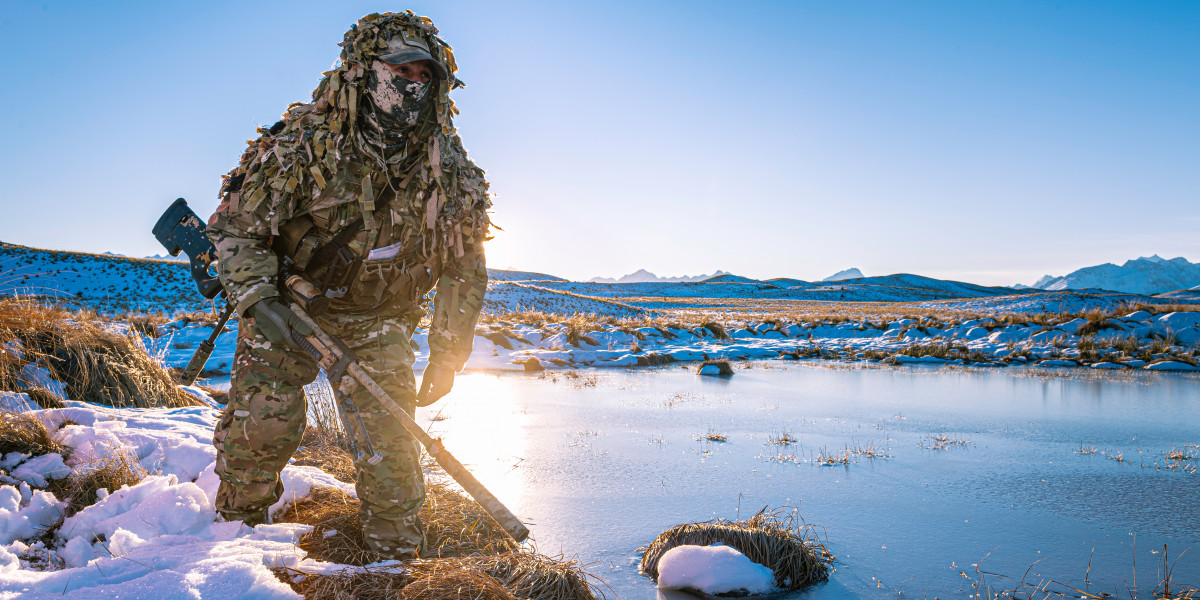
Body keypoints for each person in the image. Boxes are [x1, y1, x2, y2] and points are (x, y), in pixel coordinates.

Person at [206, 11, 490, 559]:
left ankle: (396, 562)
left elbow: (464, 267)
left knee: (392, 446)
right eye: (401, 68)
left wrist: (448, 354)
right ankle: (232, 542)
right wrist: (261, 299)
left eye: (425, 73)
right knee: (259, 429)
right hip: (290, 307)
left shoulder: (449, 169)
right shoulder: (302, 145)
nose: (413, 83)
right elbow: (237, 230)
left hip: (380, 318)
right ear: (362, 72)